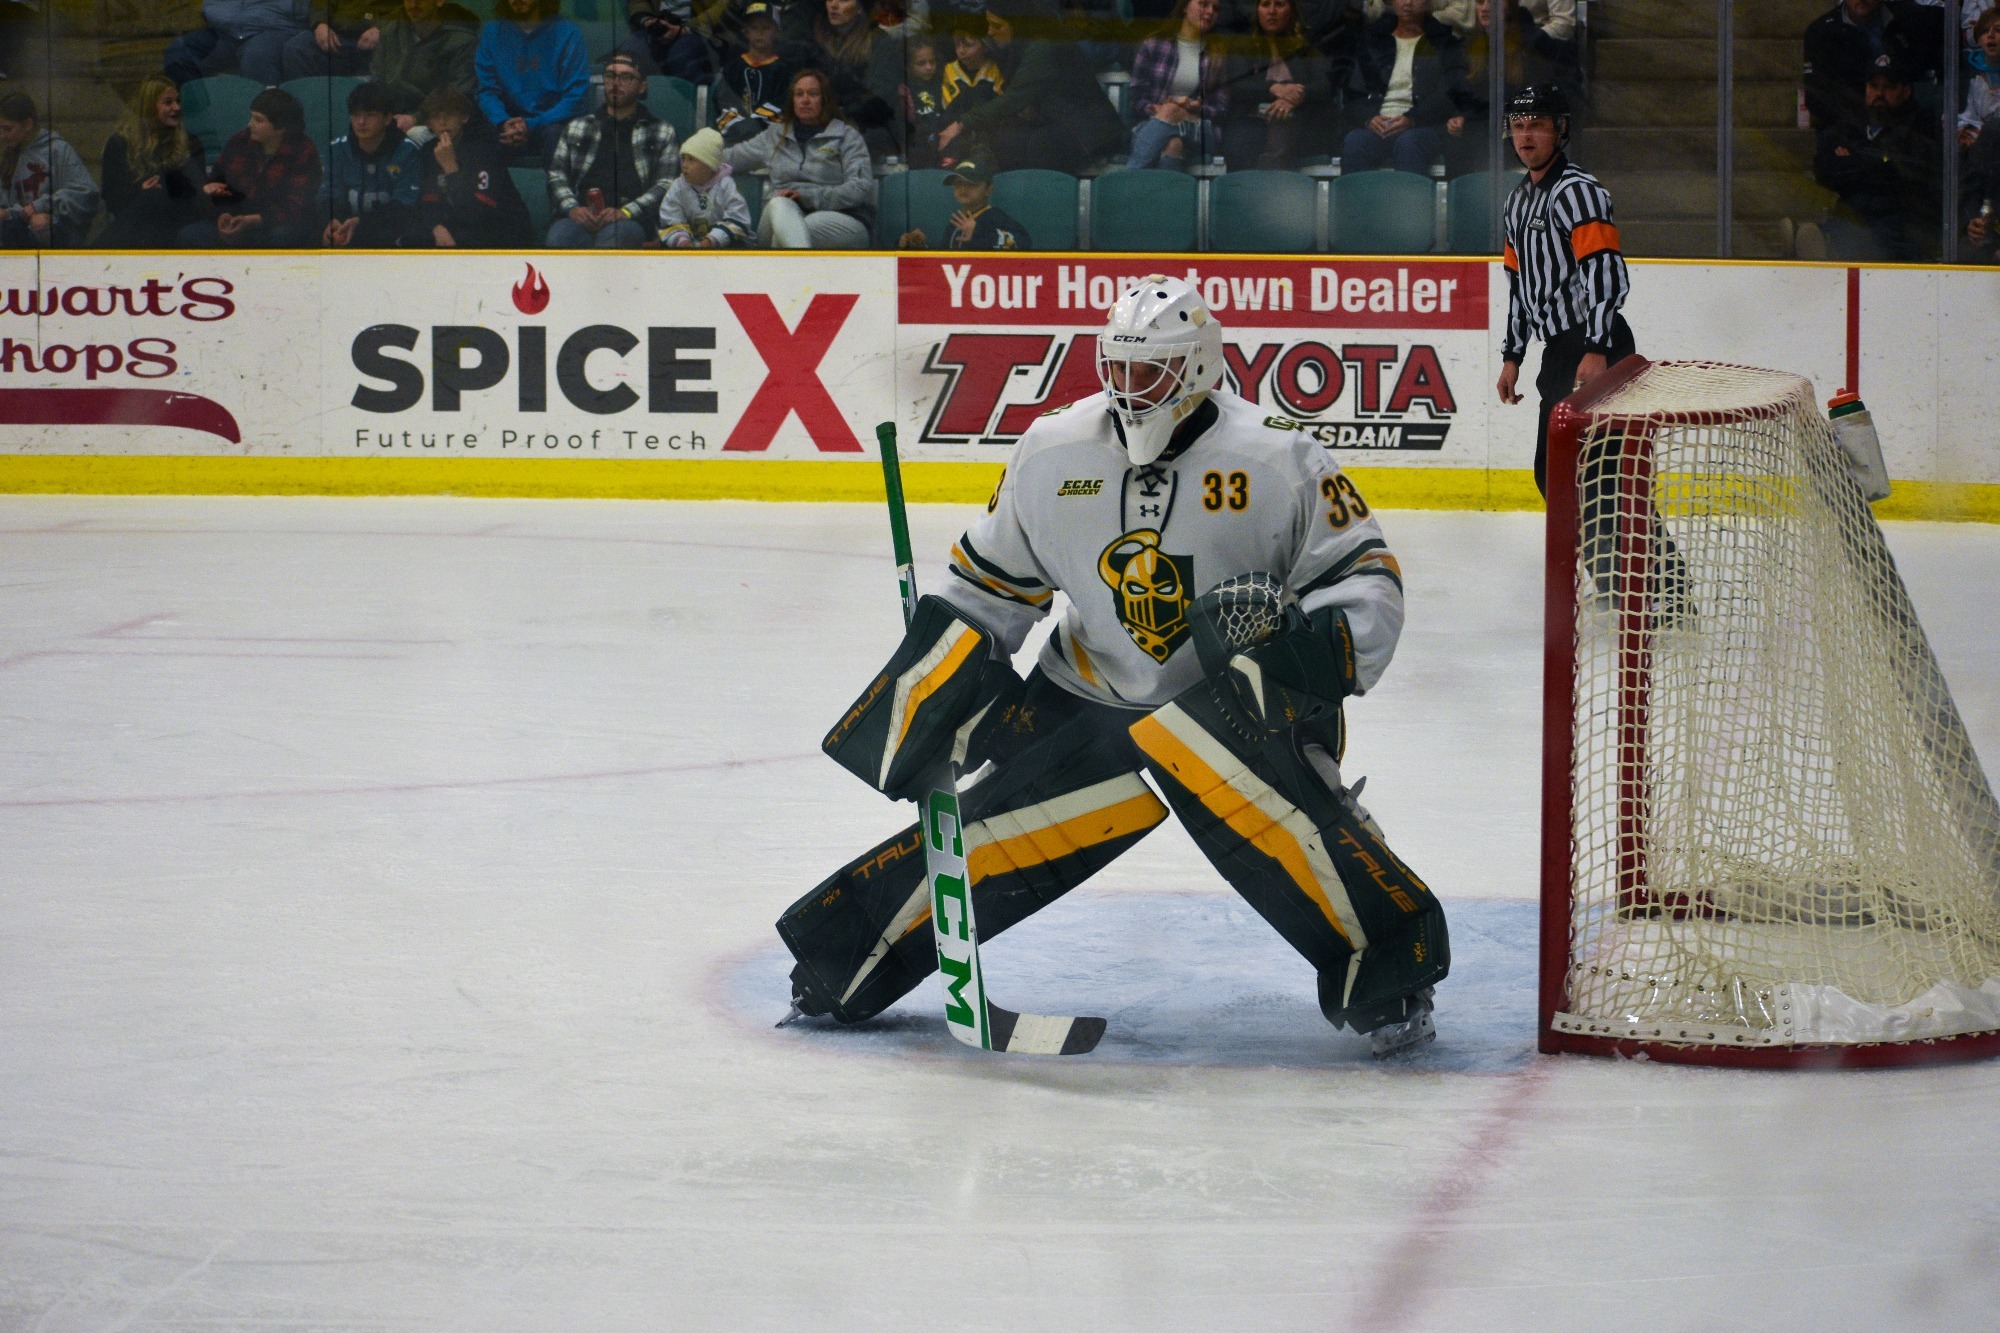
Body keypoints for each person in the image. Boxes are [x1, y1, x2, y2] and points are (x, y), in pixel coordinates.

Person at [780, 274, 1448, 1057]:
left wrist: (1302, 657)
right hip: (1086, 692)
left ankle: (1387, 975)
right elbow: (987, 589)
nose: (1131, 387)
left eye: (1151, 370)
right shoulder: (1052, 449)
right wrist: (929, 696)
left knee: (1296, 829)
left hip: (1226, 705)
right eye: (1119, 367)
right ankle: (841, 961)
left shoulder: (1278, 455)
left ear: (1198, 366)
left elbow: (1366, 580)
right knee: (989, 835)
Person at [939, 0, 1124, 172]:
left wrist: (961, 123)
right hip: (1058, 121)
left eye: (997, 26)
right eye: (989, 24)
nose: (990, 32)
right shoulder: (1019, 46)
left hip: (1092, 130)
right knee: (1005, 139)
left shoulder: (1044, 45)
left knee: (1043, 144)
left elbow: (1014, 98)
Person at [724, 67, 874, 247]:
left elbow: (859, 188)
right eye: (799, 94)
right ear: (792, 101)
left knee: (794, 229)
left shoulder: (847, 137)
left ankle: (791, 261)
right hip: (781, 213)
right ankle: (800, 260)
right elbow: (732, 157)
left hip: (842, 218)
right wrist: (696, 155)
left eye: (813, 94)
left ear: (825, 99)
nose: (805, 100)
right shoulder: (775, 135)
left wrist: (807, 197)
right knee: (780, 205)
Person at [1812, 54, 1941, 261]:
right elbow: (1824, 171)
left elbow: (1899, 176)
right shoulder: (1848, 127)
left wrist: (1853, 161)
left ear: (1906, 92)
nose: (1879, 93)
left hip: (1898, 231)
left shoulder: (1919, 130)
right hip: (1850, 221)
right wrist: (1875, 161)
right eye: (1874, 86)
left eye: (1888, 86)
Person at [545, 51, 681, 247]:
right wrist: (572, 208)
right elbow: (556, 175)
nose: (616, 84)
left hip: (630, 220)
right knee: (560, 237)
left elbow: (666, 184)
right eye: (610, 75)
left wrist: (626, 212)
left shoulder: (662, 132)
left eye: (626, 77)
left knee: (615, 238)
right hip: (580, 216)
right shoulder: (578, 127)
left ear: (642, 86)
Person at [180, 86, 322, 247]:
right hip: (236, 218)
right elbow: (218, 183)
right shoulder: (240, 141)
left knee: (281, 236)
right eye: (252, 117)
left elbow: (296, 207)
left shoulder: (303, 151)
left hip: (274, 224)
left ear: (281, 127)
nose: (250, 124)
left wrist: (253, 221)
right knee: (190, 235)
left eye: (258, 120)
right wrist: (224, 215)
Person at [1341, 0, 1468, 175]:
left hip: (1423, 127)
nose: (1408, 2)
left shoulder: (1445, 43)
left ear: (1428, 3)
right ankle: (1354, 195)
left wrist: (1412, 119)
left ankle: (1410, 195)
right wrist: (1369, 118)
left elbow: (1448, 94)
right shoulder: (1374, 41)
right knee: (1355, 141)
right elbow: (1353, 93)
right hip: (1380, 125)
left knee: (1409, 142)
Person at [413, 84, 533, 246]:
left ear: (464, 117)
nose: (442, 122)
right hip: (457, 225)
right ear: (428, 123)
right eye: (435, 117)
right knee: (415, 236)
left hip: (499, 229)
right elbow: (428, 201)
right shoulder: (428, 151)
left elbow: (478, 213)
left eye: (449, 115)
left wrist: (451, 169)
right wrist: (436, 226)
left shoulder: (484, 149)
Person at [1802, 0, 1938, 141]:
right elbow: (1817, 98)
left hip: (1907, 132)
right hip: (1846, 134)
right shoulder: (1822, 32)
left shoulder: (1908, 20)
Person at [1218, 0, 1328, 172]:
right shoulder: (1242, 45)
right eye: (1265, 4)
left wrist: (1295, 97)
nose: (1271, 11)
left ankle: (1272, 182)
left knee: (1282, 127)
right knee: (1240, 141)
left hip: (1298, 121)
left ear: (1291, 10)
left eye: (1279, 5)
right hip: (1250, 119)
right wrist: (1273, 88)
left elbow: (1324, 85)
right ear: (1257, 11)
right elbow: (1236, 85)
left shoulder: (1306, 48)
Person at [475, 0, 592, 160]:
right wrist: (503, 121)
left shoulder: (567, 33)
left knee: (558, 137)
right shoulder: (492, 33)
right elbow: (487, 91)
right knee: (479, 137)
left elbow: (575, 96)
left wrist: (531, 124)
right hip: (508, 122)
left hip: (552, 123)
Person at [101, 77, 209, 248]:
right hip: (138, 225)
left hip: (178, 223)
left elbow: (198, 193)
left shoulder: (190, 142)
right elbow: (113, 198)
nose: (177, 107)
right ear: (149, 107)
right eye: (168, 102)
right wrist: (142, 193)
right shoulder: (120, 144)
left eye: (178, 101)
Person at [1126, 0, 1229, 171]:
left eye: (1216, 8)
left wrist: (1195, 107)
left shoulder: (1216, 52)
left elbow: (1221, 106)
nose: (1211, 12)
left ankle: (1128, 178)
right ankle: (1163, 190)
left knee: (1171, 111)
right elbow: (1135, 95)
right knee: (1174, 145)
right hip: (1154, 122)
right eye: (1204, 4)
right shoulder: (1154, 44)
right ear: (1185, 7)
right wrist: (1156, 109)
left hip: (1200, 129)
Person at [322, 80, 422, 246]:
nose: (361, 122)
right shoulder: (337, 150)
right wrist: (334, 221)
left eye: (370, 115)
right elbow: (331, 196)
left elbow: (405, 207)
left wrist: (361, 224)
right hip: (346, 232)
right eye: (356, 115)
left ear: (387, 118)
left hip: (390, 236)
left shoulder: (407, 152)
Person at [0, 93, 99, 248]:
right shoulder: (8, 155)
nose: (2, 135)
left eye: (8, 129)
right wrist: (7, 214)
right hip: (16, 230)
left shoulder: (57, 150)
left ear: (28, 125)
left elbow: (86, 193)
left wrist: (41, 206)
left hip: (57, 235)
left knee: (39, 224)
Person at [370, 0, 482, 130]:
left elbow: (460, 93)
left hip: (436, 121)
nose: (413, 4)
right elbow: (376, 80)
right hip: (391, 117)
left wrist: (416, 118)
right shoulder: (390, 33)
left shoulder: (461, 41)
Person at [164, 0, 309, 89]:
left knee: (256, 56)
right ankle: (204, 117)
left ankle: (266, 122)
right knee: (178, 54)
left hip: (274, 28)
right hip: (226, 30)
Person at [712, 1, 801, 144]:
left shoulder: (784, 70)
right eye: (753, 27)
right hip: (735, 140)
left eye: (765, 28)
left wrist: (756, 123)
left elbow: (784, 104)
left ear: (777, 31)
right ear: (745, 32)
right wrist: (740, 127)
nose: (760, 33)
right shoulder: (733, 68)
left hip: (773, 142)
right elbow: (723, 101)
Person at [896, 156, 1029, 246]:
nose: (963, 188)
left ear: (988, 190)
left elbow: (1023, 243)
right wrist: (921, 247)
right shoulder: (956, 220)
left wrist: (978, 232)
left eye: (971, 183)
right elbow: (946, 258)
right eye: (959, 183)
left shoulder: (995, 216)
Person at [658, 126, 754, 245]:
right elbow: (670, 218)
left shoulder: (726, 185)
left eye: (691, 160)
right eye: (683, 159)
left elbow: (737, 218)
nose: (684, 165)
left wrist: (712, 240)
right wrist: (681, 240)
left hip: (724, 246)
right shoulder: (678, 187)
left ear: (709, 165)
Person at [281, 0, 383, 78]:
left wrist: (379, 28)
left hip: (377, 41)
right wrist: (320, 24)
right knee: (296, 48)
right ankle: (310, 97)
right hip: (336, 37)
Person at [624, 0, 720, 81]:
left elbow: (723, 7)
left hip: (701, 31)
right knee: (629, 54)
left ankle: (694, 96)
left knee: (681, 55)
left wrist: (684, 30)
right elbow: (637, 2)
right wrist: (647, 20)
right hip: (656, 26)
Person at [896, 33, 947, 164]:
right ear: (907, 66)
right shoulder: (905, 92)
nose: (929, 67)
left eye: (932, 62)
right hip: (918, 149)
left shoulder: (943, 84)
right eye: (921, 63)